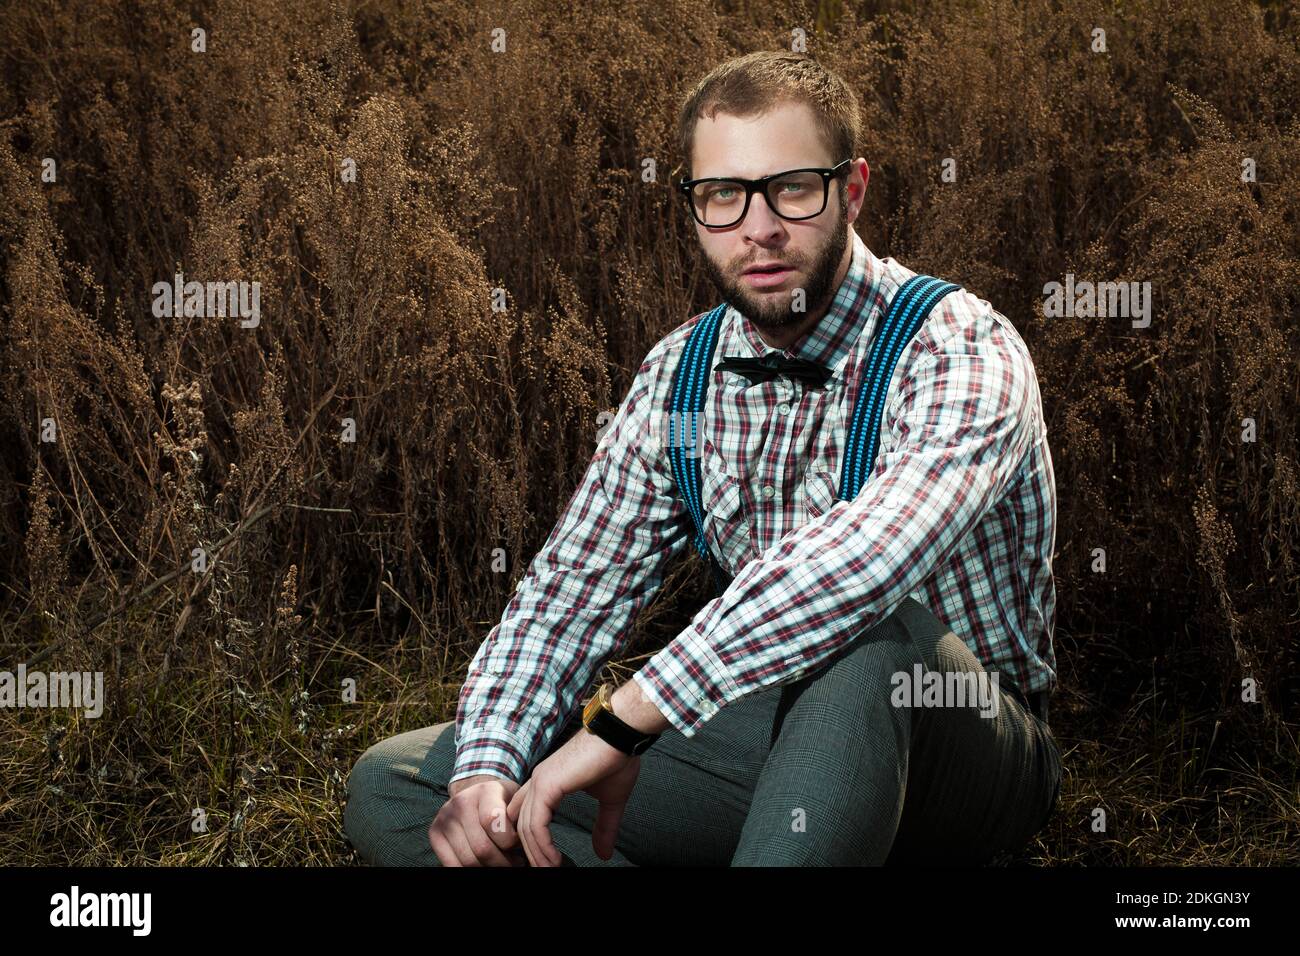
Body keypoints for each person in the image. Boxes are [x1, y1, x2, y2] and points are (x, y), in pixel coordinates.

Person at [343, 50, 1062, 867]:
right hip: (755, 735)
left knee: (873, 638)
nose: (758, 228)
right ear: (693, 209)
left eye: (792, 187)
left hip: (951, 740)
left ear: (852, 188)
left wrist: (629, 715)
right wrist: (488, 762)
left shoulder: (961, 348)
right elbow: (574, 589)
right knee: (405, 789)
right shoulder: (680, 378)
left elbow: (861, 564)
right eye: (723, 195)